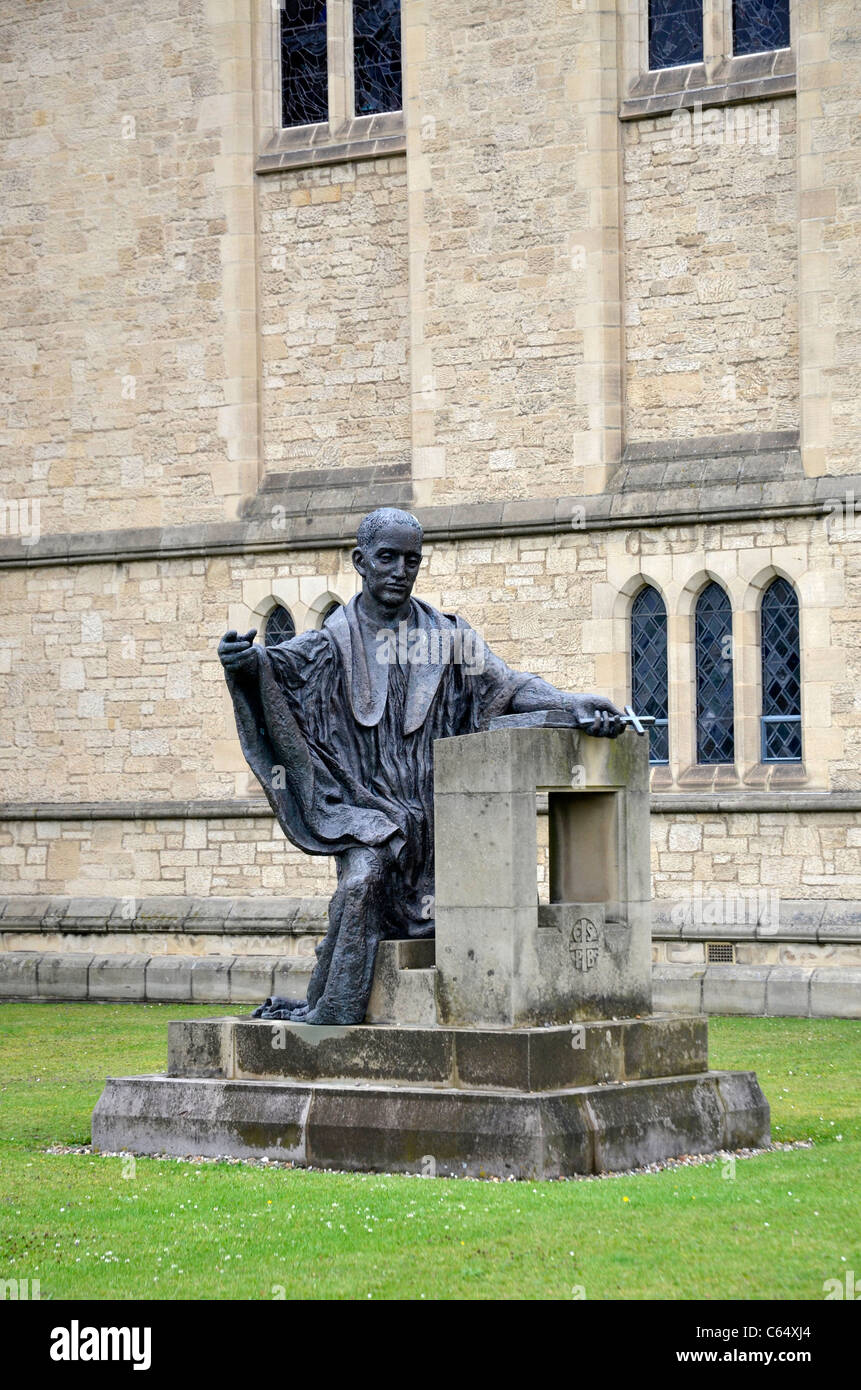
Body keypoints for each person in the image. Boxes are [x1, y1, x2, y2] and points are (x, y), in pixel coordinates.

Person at [218, 507, 624, 1024]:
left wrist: (572, 702)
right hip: (369, 812)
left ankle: (338, 1000)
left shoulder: (448, 637)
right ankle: (332, 1010)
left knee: (467, 897)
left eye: (412, 560)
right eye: (387, 558)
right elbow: (275, 672)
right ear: (360, 561)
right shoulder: (328, 645)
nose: (400, 571)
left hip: (441, 814)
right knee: (363, 879)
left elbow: (509, 685)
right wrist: (244, 664)